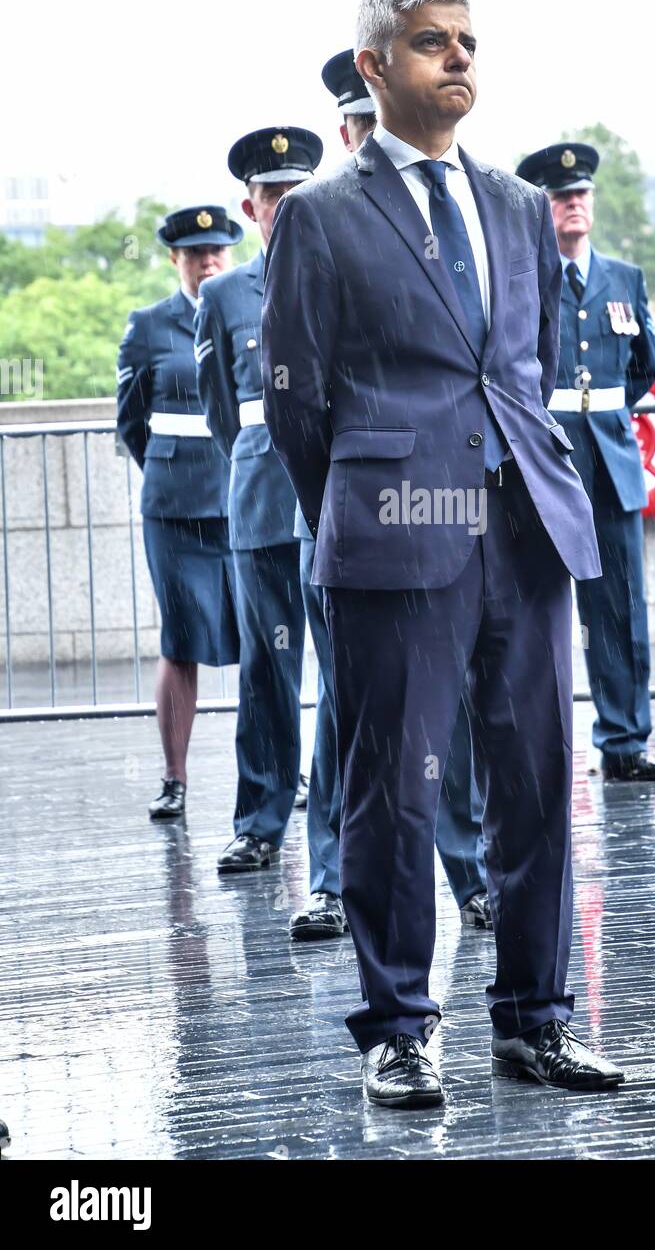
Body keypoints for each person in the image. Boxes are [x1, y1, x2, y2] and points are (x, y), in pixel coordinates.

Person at [263, 0, 624, 1108]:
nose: (457, 59)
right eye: (430, 43)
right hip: (394, 538)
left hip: (522, 531)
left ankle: (534, 1022)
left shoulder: (518, 206)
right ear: (373, 67)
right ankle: (400, 1028)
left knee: (535, 783)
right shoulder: (321, 215)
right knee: (395, 791)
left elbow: (519, 365)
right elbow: (296, 402)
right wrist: (362, 507)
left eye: (467, 42)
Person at [289, 49, 490, 941]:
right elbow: (295, 400)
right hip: (356, 518)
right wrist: (343, 503)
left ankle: (470, 870)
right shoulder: (323, 221)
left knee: (457, 723)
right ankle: (332, 876)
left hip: (465, 514)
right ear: (351, 128)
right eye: (367, 129)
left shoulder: (483, 215)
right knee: (361, 722)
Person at [516, 143, 655, 785]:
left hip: (610, 461)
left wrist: (602, 414)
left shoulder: (625, 279)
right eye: (560, 196)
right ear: (541, 209)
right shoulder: (522, 278)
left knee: (620, 610)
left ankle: (624, 741)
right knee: (536, 609)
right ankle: (535, 743)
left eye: (581, 193)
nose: (573, 203)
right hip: (549, 461)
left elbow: (645, 368)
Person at [195, 127, 322, 872]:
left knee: (342, 676)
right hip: (261, 499)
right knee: (266, 671)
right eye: (273, 194)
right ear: (251, 207)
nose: (285, 204)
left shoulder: (342, 273)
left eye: (296, 192)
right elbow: (221, 410)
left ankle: (341, 846)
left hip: (333, 500)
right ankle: (261, 821)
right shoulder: (221, 295)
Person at [117, 206, 241, 819]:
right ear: (176, 260)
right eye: (195, 253)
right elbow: (130, 422)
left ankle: (277, 777)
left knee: (268, 643)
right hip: (173, 512)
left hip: (243, 502)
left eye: (216, 250)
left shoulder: (250, 310)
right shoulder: (148, 326)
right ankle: (174, 777)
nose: (207, 261)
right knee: (181, 639)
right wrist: (171, 471)